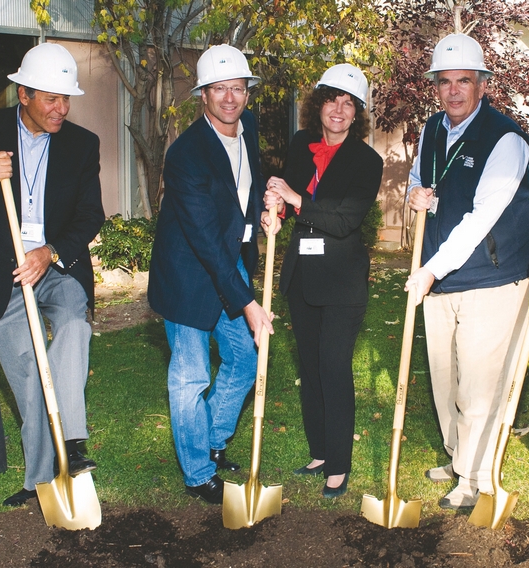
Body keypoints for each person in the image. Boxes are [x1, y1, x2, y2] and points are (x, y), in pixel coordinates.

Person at [0, 43, 104, 507]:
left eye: (67, 99)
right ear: (23, 93)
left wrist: (49, 253)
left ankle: (70, 443)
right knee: (31, 373)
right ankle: (38, 481)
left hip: (55, 266)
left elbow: (91, 215)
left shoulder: (82, 142)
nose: (62, 108)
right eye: (52, 98)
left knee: (73, 324)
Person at [403, 33, 529, 510]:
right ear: (435, 86)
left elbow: (481, 219)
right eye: (445, 82)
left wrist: (430, 270)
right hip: (440, 275)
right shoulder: (432, 130)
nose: (453, 91)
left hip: (492, 277)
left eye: (464, 81)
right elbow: (421, 178)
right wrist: (415, 193)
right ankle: (458, 454)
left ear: (482, 84)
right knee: (445, 378)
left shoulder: (507, 139)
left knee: (478, 385)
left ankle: (473, 479)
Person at [147, 44, 273, 505]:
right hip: (188, 272)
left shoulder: (249, 128)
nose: (229, 98)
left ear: (247, 93)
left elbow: (244, 185)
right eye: (219, 89)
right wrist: (249, 303)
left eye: (237, 88)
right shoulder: (186, 154)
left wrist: (264, 206)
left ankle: (213, 441)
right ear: (203, 95)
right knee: (191, 374)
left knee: (245, 358)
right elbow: (201, 236)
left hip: (228, 258)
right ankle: (198, 472)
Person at [262, 64, 383, 499]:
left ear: (357, 115)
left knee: (333, 367)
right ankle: (319, 452)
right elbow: (286, 197)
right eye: (332, 99)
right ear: (319, 105)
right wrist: (274, 206)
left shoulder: (367, 162)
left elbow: (345, 220)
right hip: (302, 275)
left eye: (348, 103)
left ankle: (340, 463)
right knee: (310, 369)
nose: (338, 109)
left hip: (341, 282)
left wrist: (297, 199)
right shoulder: (300, 144)